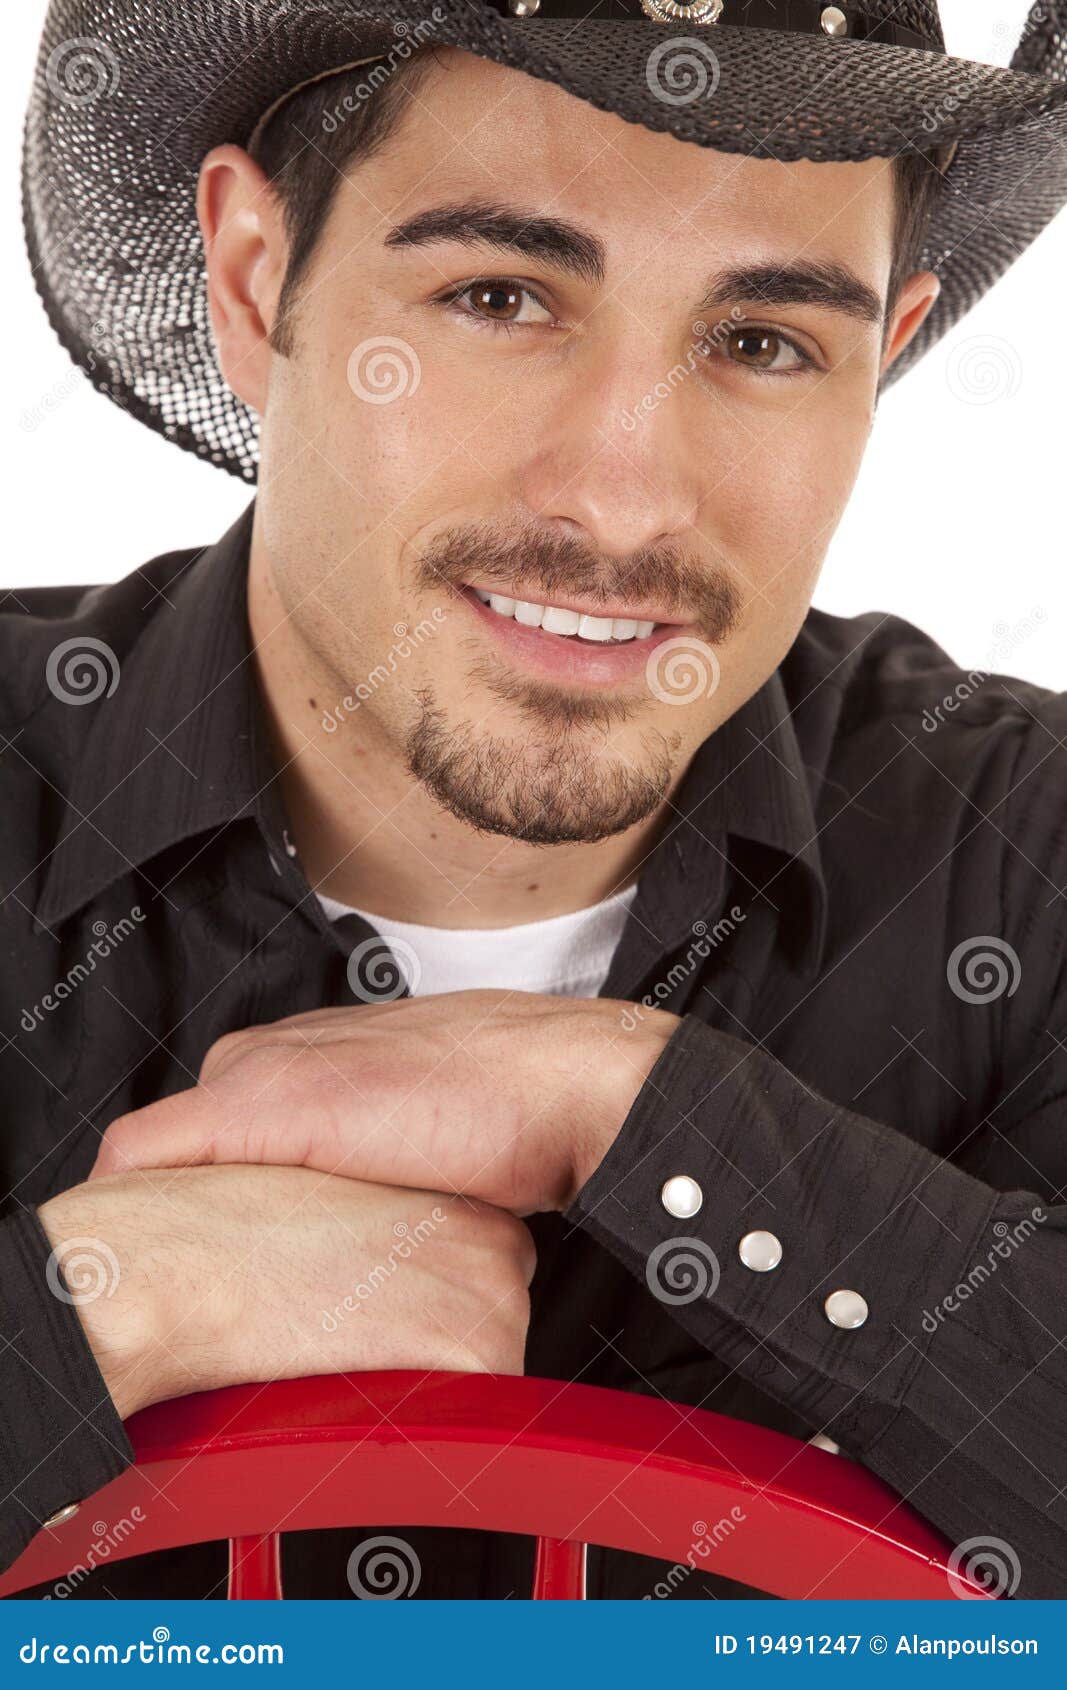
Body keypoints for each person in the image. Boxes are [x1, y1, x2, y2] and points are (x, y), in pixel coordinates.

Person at [3, 0, 1066, 1599]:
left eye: (765, 340)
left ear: (888, 354)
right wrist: (91, 1313)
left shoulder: (1032, 860)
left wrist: (635, 1112)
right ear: (254, 279)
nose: (623, 491)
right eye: (500, 295)